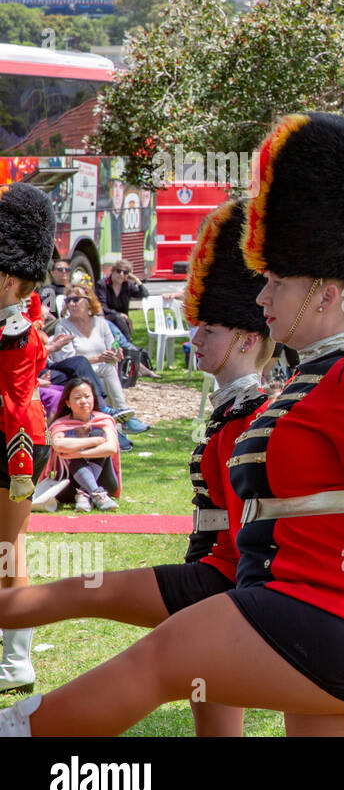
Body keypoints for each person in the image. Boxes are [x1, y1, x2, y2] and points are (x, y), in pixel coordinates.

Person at [0, 112, 344, 737]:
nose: (262, 296)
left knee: (161, 659)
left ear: (325, 290)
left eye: (275, 281)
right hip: (310, 617)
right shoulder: (309, 380)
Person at [0, 199, 272, 736]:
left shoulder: (253, 418)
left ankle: (20, 725)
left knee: (72, 599)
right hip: (216, 575)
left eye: (208, 329)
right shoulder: (234, 410)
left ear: (247, 337)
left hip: (232, 585)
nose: (193, 339)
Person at [0, 183, 56, 694]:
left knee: (8, 550)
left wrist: (20, 471)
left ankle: (16, 661)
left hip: (13, 446)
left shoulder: (16, 329)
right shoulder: (13, 320)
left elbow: (18, 401)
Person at [49, 284, 146, 430]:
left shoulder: (101, 323)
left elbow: (111, 349)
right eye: (68, 301)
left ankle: (120, 414)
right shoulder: (63, 327)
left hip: (102, 367)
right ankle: (123, 415)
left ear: (88, 301)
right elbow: (68, 362)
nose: (71, 304)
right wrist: (99, 358)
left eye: (76, 299)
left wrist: (115, 354)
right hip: (75, 374)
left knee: (108, 366)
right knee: (106, 367)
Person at [46, 379, 121, 511]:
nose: (84, 401)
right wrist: (95, 441)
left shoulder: (104, 421)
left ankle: (85, 494)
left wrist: (78, 454)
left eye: (87, 396)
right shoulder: (60, 424)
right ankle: (97, 494)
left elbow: (111, 447)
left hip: (105, 482)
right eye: (77, 397)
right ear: (68, 402)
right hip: (68, 487)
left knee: (94, 434)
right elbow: (59, 445)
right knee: (83, 441)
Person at [93, 259, 147, 340]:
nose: (121, 274)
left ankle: (128, 346)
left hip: (122, 321)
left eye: (125, 273)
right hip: (104, 317)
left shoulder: (127, 285)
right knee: (118, 318)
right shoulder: (102, 284)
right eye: (118, 271)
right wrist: (119, 314)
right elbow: (102, 307)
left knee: (120, 319)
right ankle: (129, 344)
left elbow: (144, 294)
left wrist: (136, 280)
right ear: (113, 271)